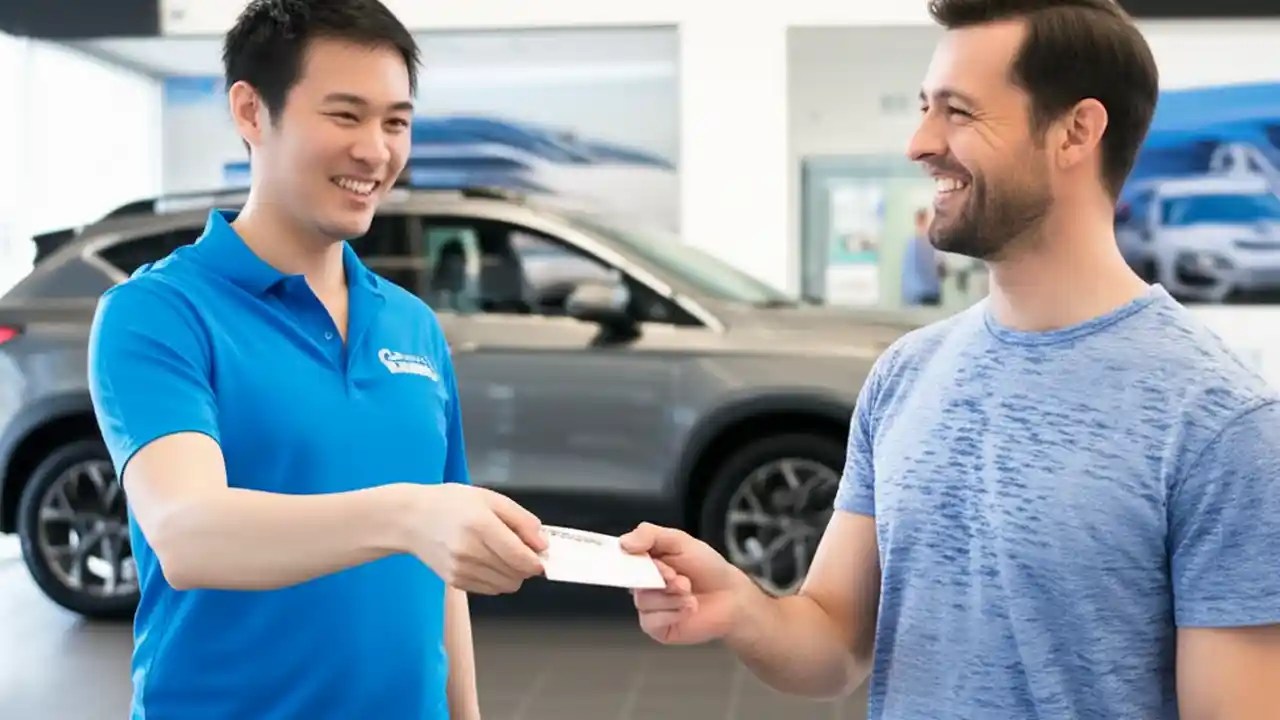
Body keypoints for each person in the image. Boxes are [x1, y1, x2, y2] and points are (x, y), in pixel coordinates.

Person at [622, 1, 1280, 718]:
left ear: (1076, 131)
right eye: (924, 108)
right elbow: (836, 642)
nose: (919, 142)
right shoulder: (906, 375)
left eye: (958, 113)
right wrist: (742, 607)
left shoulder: (1222, 425)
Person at [87, 1, 547, 718]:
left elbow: (442, 568)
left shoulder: (412, 325)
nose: (376, 150)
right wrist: (409, 515)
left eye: (396, 121)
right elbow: (187, 532)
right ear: (250, 111)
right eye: (345, 115)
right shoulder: (160, 313)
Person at [900, 207, 943, 306]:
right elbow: (936, 268)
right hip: (923, 294)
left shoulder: (913, 244)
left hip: (916, 294)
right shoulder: (924, 244)